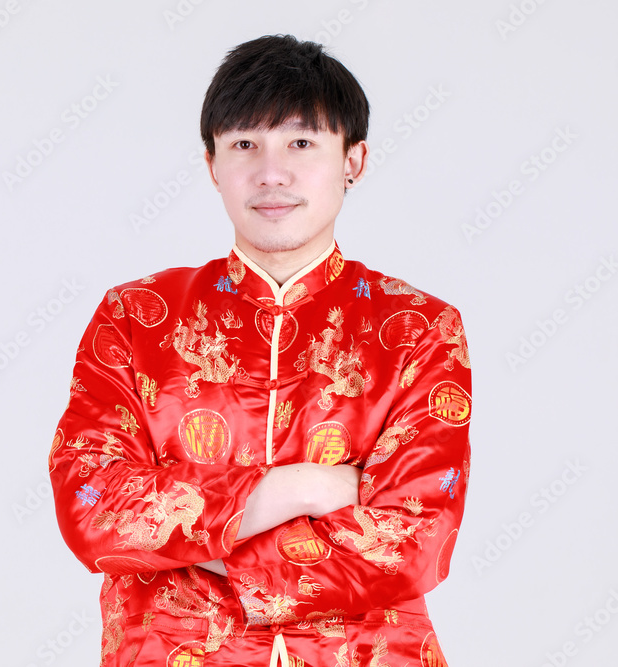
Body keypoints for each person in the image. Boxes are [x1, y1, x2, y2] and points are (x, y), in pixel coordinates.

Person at [49, 34, 471, 667]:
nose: (271, 172)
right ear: (213, 164)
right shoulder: (135, 319)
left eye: (302, 143)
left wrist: (194, 544)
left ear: (353, 160)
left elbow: (416, 537)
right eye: (244, 144)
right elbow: (93, 509)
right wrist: (304, 488)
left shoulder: (418, 327)